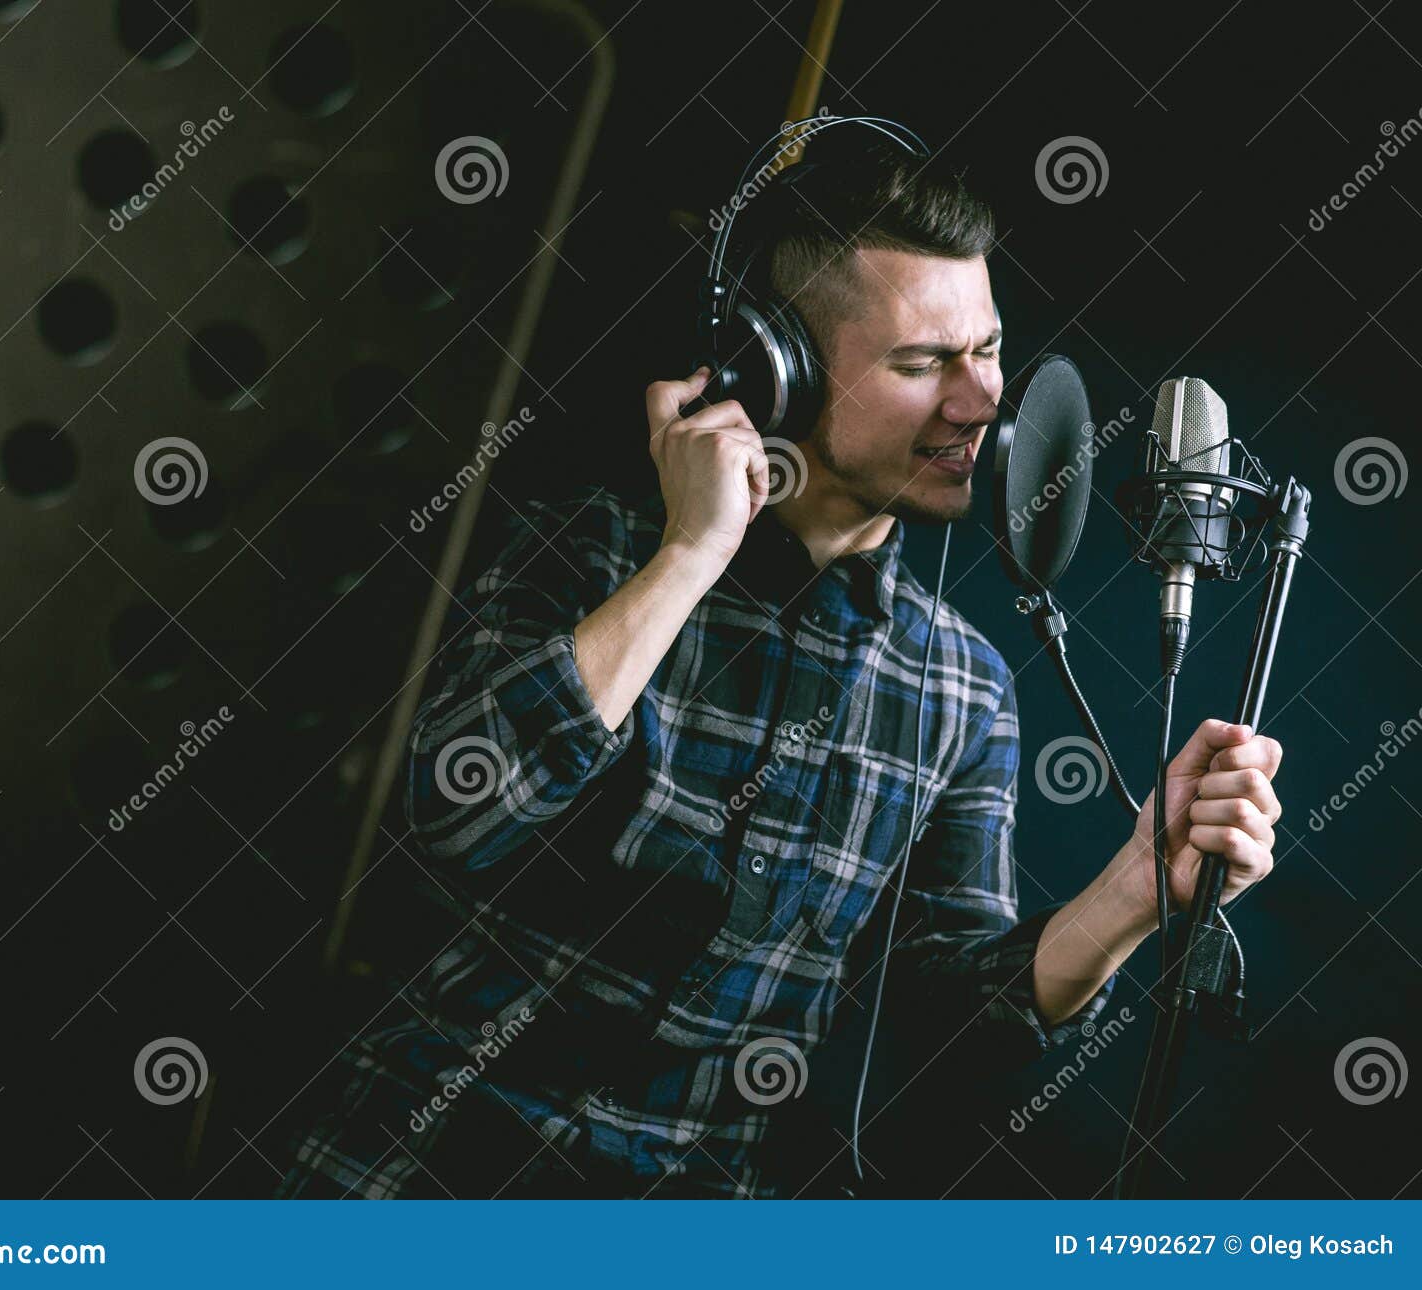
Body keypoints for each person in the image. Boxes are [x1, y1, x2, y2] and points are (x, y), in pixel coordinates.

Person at [275, 139, 1284, 1200]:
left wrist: (1130, 895)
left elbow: (949, 1021)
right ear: (780, 371)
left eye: (987, 351)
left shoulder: (962, 687)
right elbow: (459, 810)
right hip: (427, 1169)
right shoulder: (599, 556)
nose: (982, 403)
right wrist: (689, 555)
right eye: (920, 363)